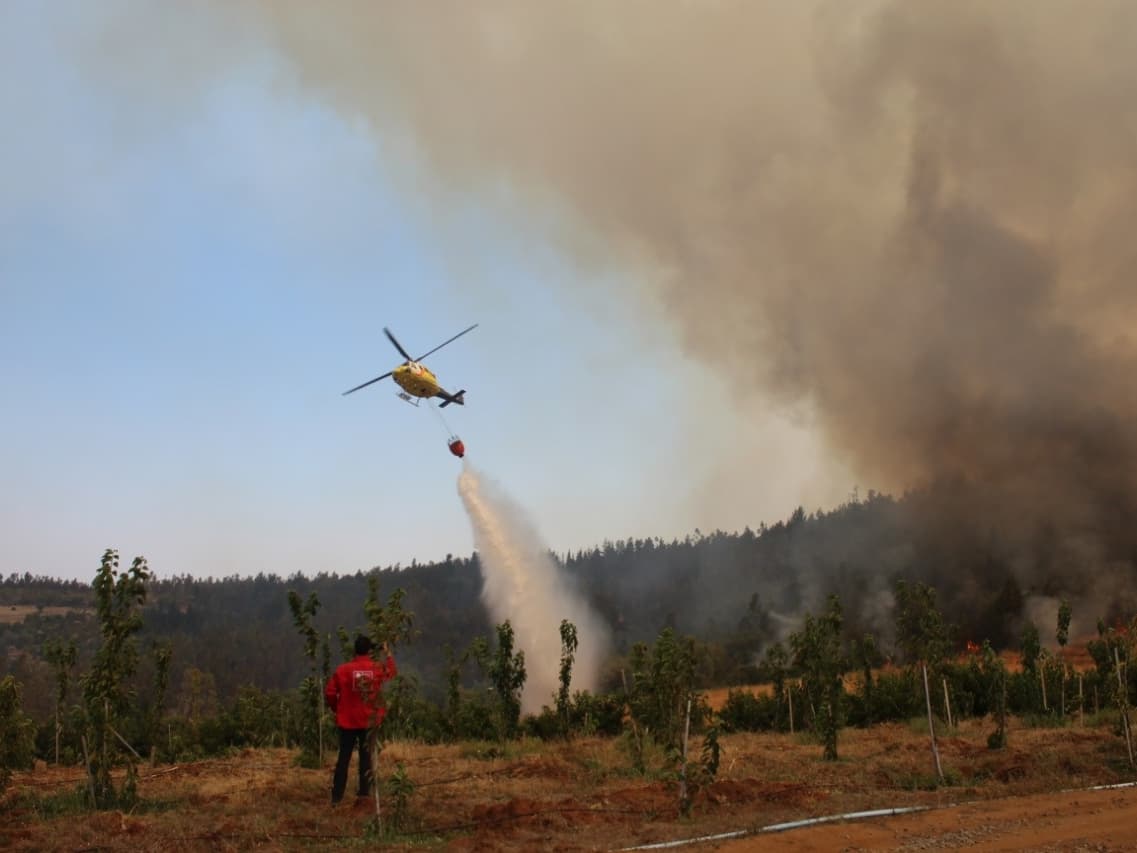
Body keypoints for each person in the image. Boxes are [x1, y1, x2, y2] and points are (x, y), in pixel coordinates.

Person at [324, 634, 397, 805]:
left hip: (347, 721)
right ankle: (364, 796)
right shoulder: (376, 668)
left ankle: (336, 798)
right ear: (370, 651)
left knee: (343, 758)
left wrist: (337, 708)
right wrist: (388, 654)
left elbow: (329, 693)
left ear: (355, 650)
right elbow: (392, 673)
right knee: (366, 758)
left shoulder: (343, 670)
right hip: (369, 721)